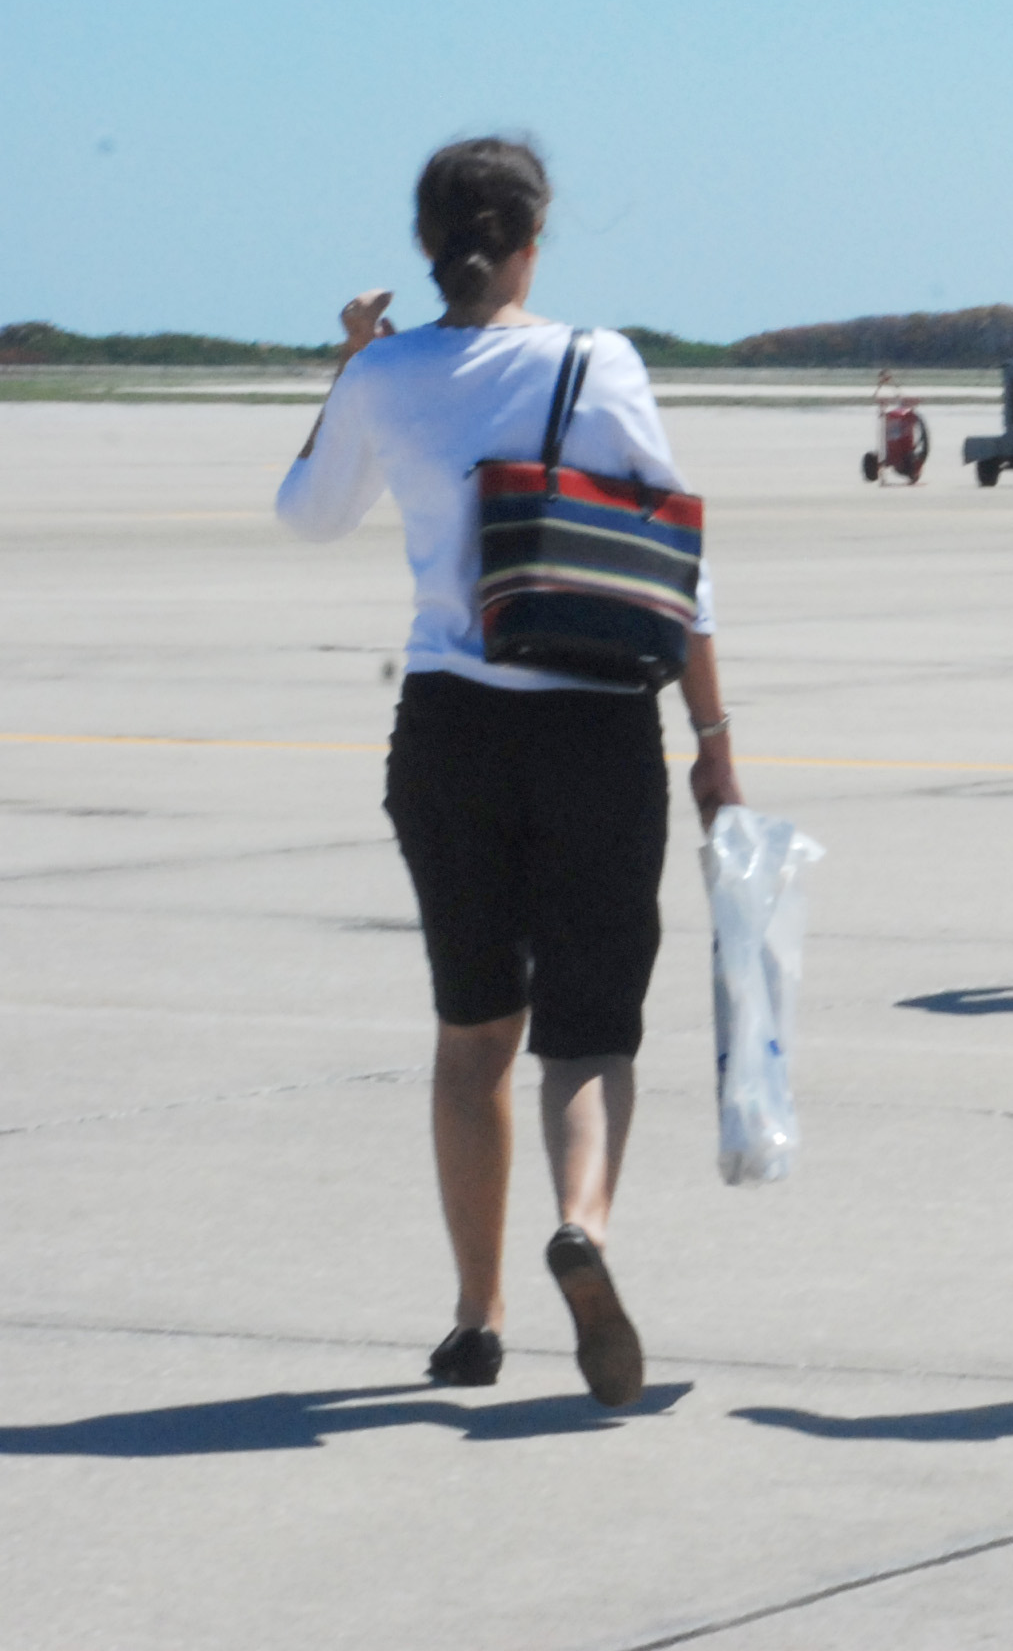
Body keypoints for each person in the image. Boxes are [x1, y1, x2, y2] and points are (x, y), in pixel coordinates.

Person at [274, 137, 739, 1407]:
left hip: (448, 732)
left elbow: (307, 516)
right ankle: (582, 1220)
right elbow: (679, 560)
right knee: (590, 1029)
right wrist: (713, 743)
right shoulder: (598, 361)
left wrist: (349, 369)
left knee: (473, 1029)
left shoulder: (389, 374)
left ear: (428, 245)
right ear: (534, 238)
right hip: (590, 726)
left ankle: (474, 1318)